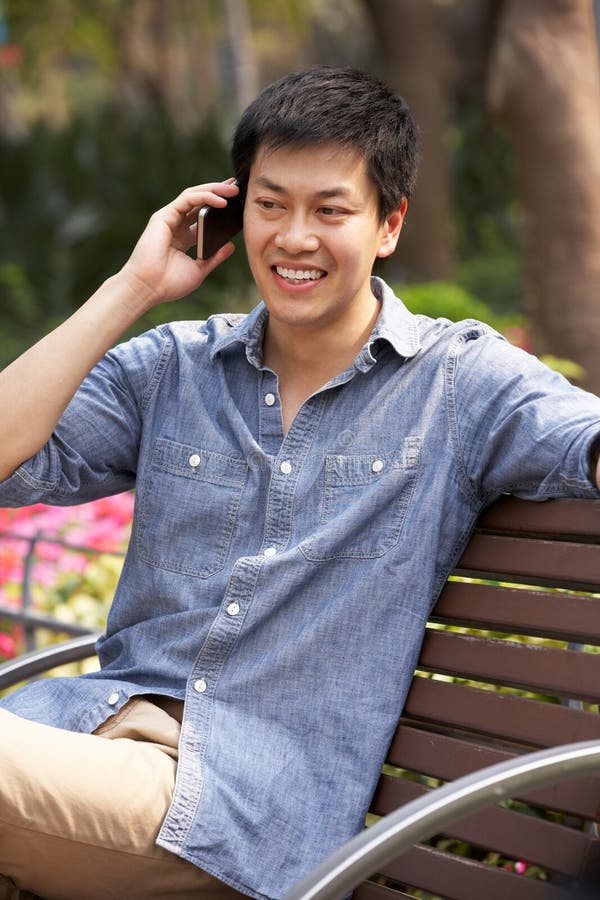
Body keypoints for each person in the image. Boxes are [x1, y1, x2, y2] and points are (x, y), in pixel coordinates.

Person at [0, 65, 599, 900]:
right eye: (270, 204)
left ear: (389, 225)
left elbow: (582, 439)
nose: (293, 237)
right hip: (96, 743)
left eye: (330, 211)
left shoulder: (457, 384)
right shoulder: (175, 367)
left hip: (240, 815)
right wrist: (133, 287)